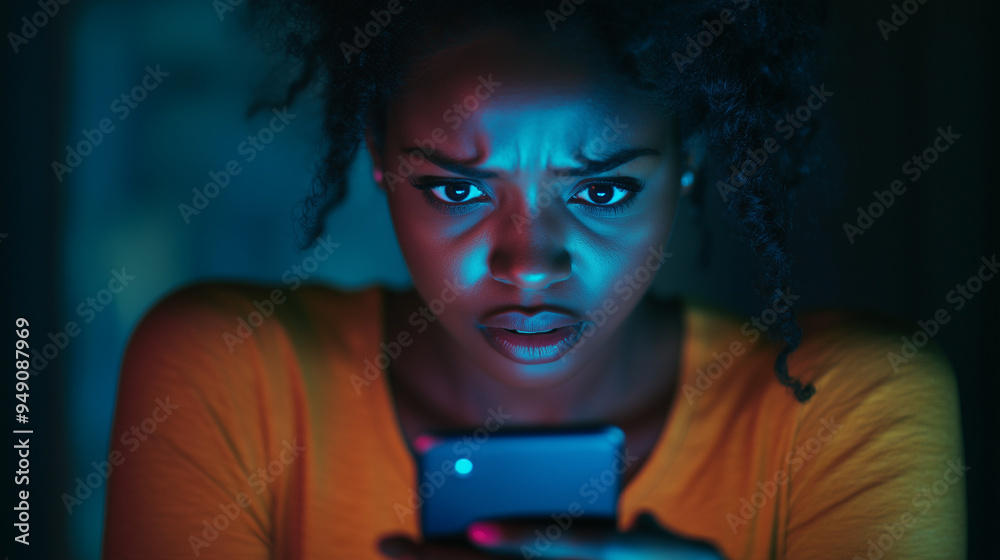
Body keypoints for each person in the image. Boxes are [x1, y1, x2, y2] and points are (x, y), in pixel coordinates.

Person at [102, 1, 966, 559]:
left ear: (686, 161)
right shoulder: (233, 375)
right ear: (376, 156)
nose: (526, 262)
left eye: (601, 191)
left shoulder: (843, 410)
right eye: (456, 189)